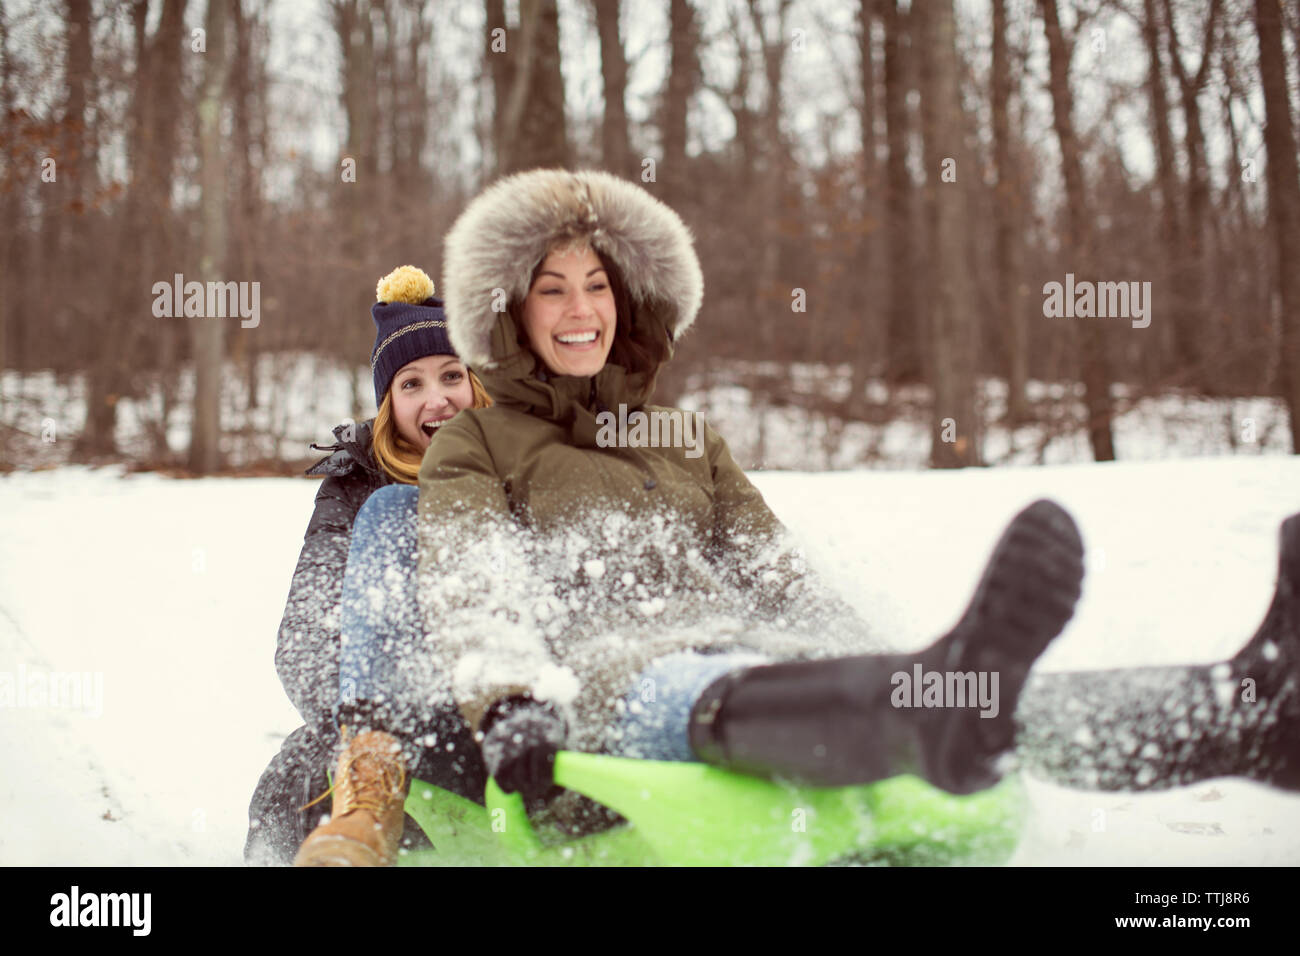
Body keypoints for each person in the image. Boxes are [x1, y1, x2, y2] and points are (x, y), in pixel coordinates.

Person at [295, 169, 1300, 867]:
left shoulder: (687, 435)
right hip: (613, 678)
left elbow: (782, 576)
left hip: (757, 650)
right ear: (511, 310)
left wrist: (870, 646)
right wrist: (512, 697)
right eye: (550, 287)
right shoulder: (479, 442)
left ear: (630, 298)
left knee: (955, 692)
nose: (577, 307)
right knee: (881, 697)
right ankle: (922, 705)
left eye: (595, 283)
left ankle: (1237, 714)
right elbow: (475, 577)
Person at [244, 265, 492, 866]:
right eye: (411, 384)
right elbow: (307, 633)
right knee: (298, 775)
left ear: (476, 384)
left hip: (507, 704)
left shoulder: (525, 467)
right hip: (395, 717)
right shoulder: (357, 493)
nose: (437, 399)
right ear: (388, 402)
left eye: (451, 375)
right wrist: (375, 723)